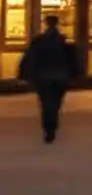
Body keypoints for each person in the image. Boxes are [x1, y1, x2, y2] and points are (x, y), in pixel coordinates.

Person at [19, 15, 80, 143]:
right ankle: (52, 125)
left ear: (45, 24)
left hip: (43, 77)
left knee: (45, 103)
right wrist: (75, 76)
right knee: (56, 103)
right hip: (60, 77)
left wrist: (25, 75)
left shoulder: (39, 42)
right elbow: (73, 61)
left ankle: (48, 128)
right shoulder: (63, 43)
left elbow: (29, 59)